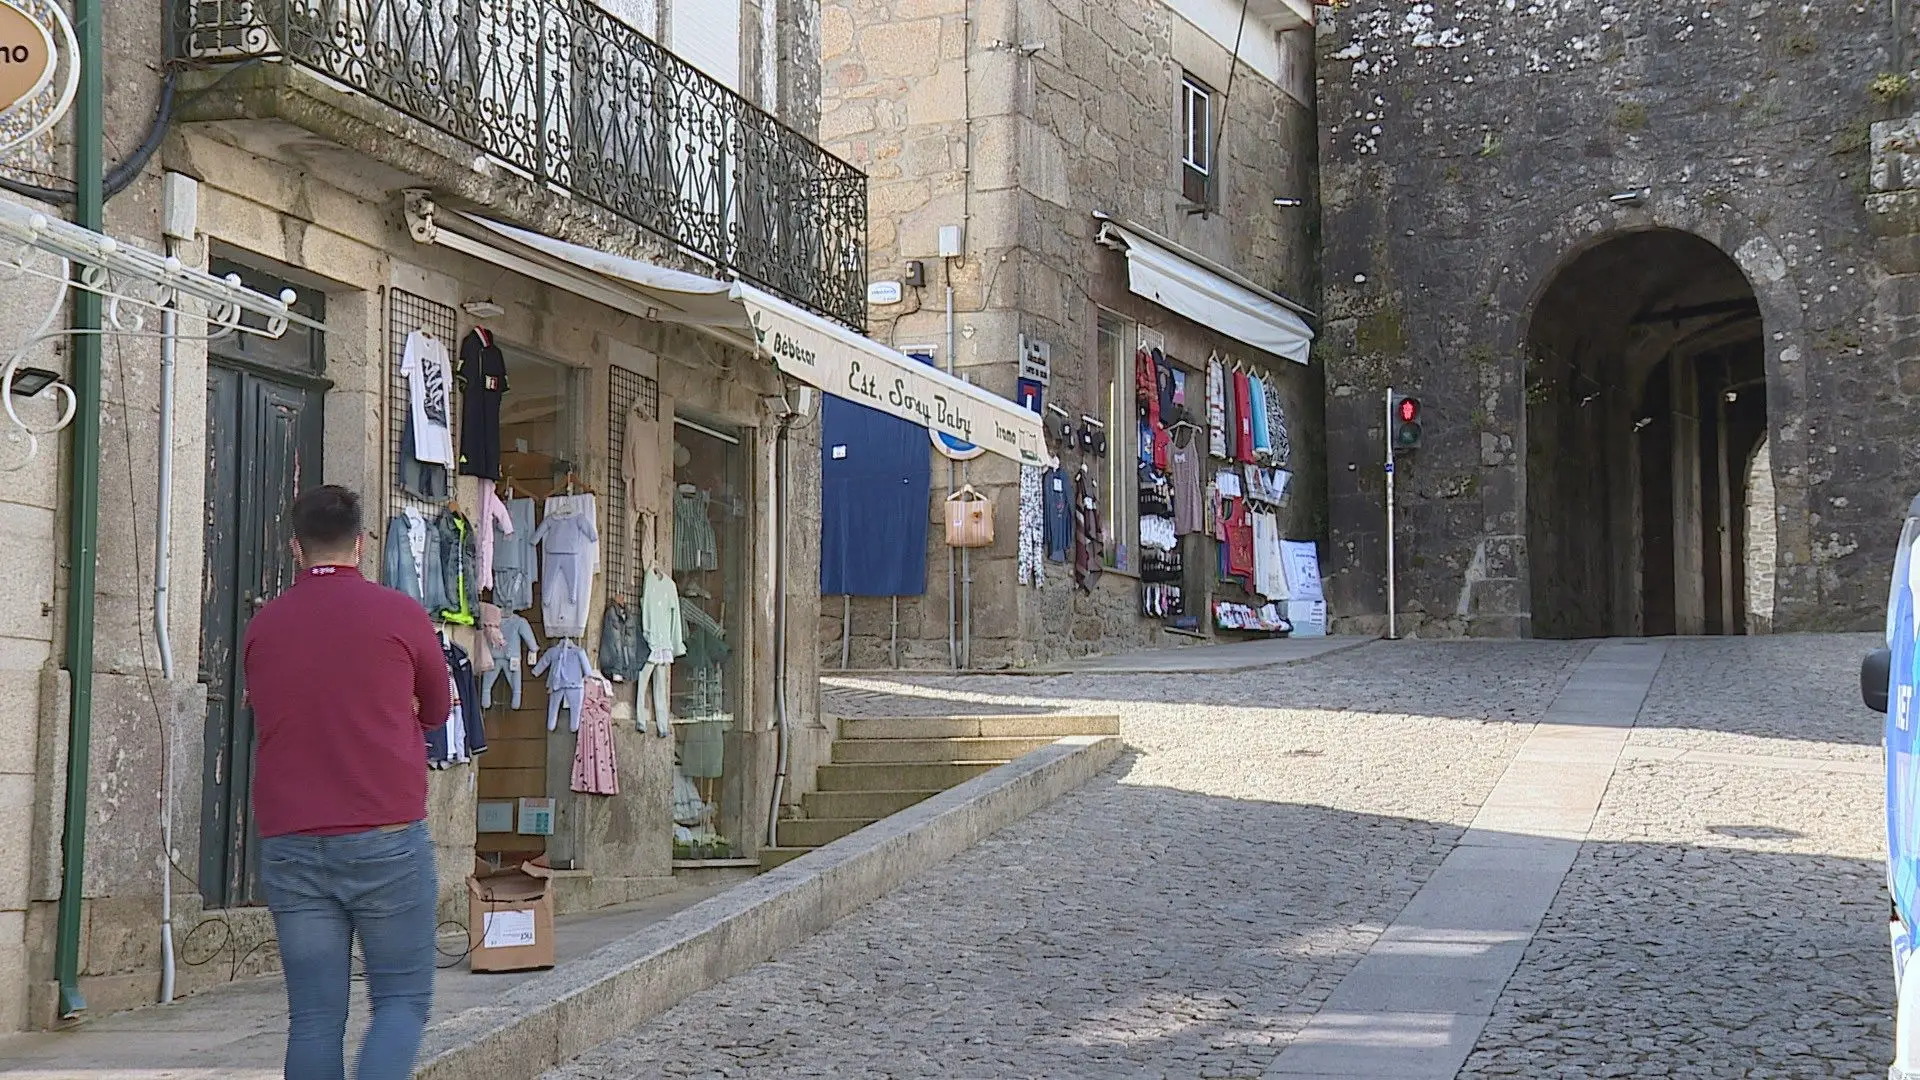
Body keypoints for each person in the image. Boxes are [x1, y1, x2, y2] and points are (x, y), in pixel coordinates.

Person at [243, 485, 449, 1080]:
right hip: (385, 833)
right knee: (402, 1001)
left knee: (311, 1016)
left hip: (293, 839)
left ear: (294, 548)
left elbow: (269, 707)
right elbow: (437, 708)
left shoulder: (265, 626)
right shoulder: (400, 615)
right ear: (362, 544)